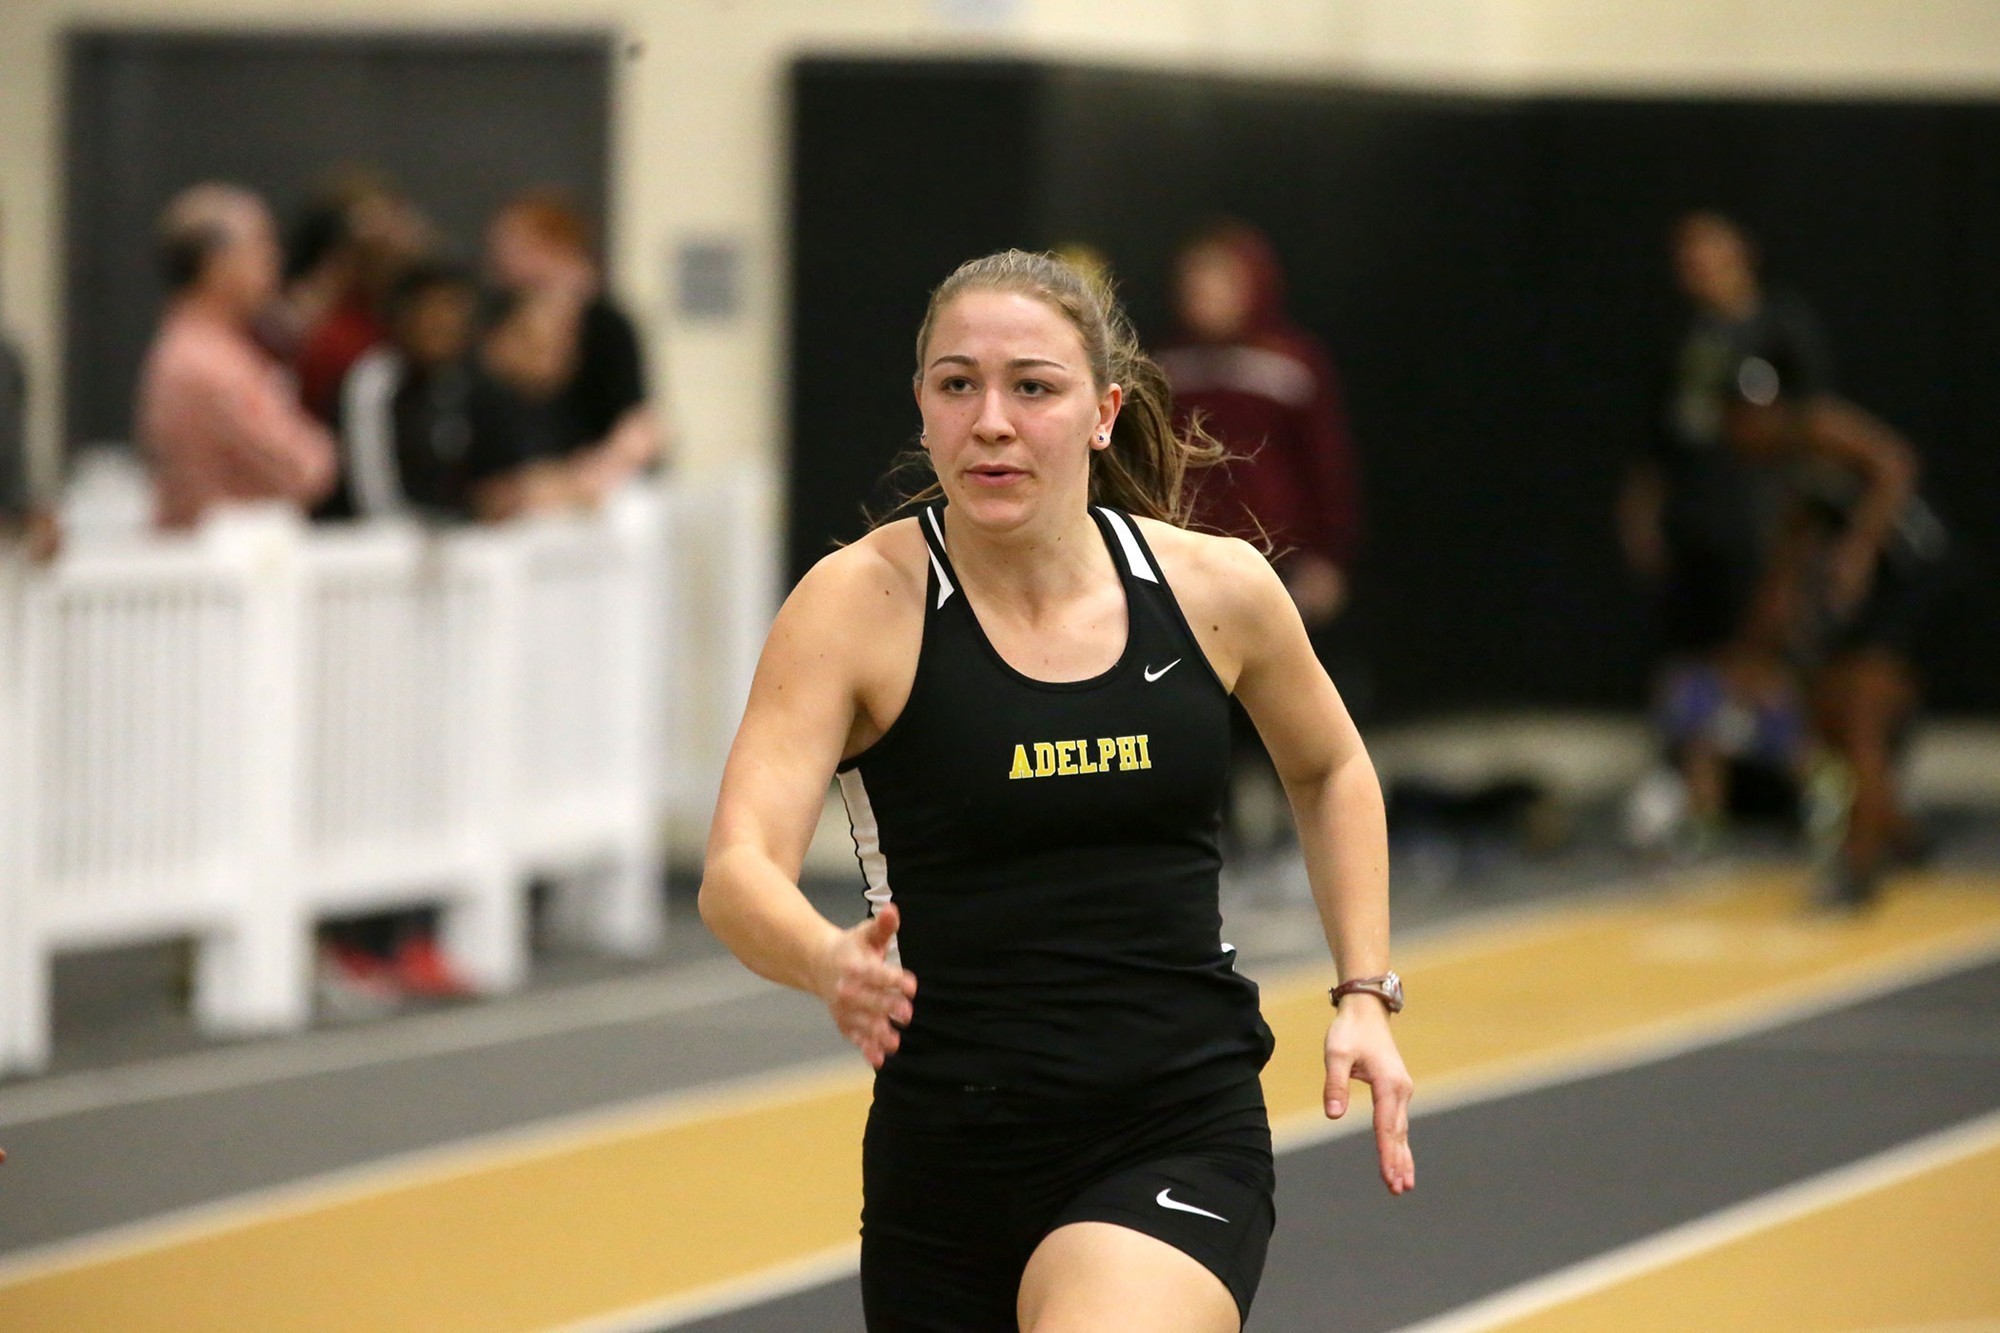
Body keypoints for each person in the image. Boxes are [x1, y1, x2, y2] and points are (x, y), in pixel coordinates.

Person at [700, 250, 1413, 1332]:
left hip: (1171, 1123)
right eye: (957, 384)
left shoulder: (1213, 589)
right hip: (946, 1154)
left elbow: (1328, 766)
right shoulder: (856, 606)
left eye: (1031, 386)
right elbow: (736, 867)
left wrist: (1364, 989)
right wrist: (823, 960)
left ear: (1101, 411)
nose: (991, 420)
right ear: (923, 408)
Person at [134, 183, 337, 529]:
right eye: (261, 244)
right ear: (216, 263)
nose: (275, 259)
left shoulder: (211, 349)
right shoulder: (206, 364)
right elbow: (304, 467)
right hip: (220, 562)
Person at [484, 188, 662, 484]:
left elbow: (638, 421)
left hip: (595, 475)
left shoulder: (606, 324)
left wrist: (596, 472)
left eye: (516, 245)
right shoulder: (497, 316)